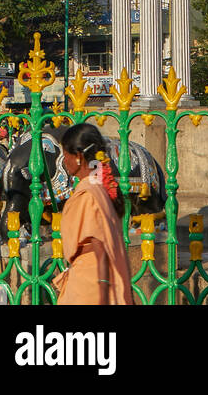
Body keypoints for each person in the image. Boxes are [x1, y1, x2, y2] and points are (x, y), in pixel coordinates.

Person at [54, 123, 133, 306]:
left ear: (79, 157)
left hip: (90, 285)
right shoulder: (99, 188)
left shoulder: (89, 194)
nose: (64, 161)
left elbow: (99, 244)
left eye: (66, 155)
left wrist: (102, 290)